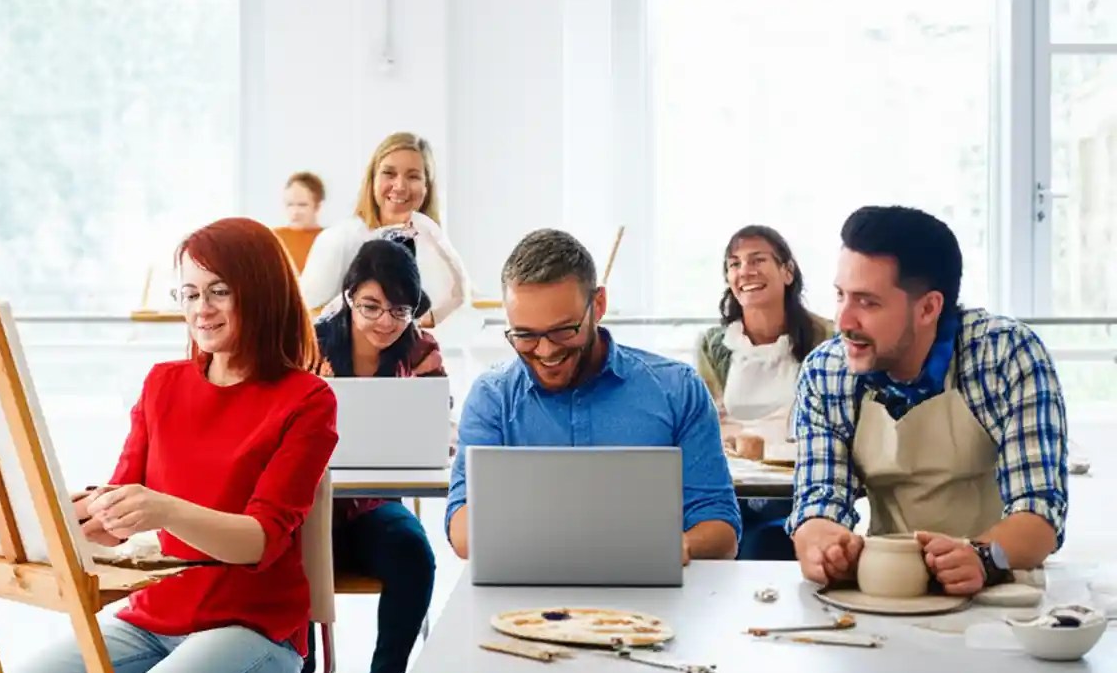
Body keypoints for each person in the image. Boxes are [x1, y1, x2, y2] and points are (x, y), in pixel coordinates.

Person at [10, 218, 337, 673]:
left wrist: (162, 509)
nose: (200, 309)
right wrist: (87, 513)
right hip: (152, 618)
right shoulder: (162, 383)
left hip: (251, 629)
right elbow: (117, 516)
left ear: (260, 291)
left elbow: (258, 541)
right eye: (189, 293)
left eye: (218, 291)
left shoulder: (307, 399)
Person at [789, 206, 1069, 596]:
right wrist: (822, 543)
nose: (844, 321)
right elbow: (818, 501)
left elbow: (1040, 516)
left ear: (928, 308)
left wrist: (986, 558)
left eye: (868, 302)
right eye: (841, 296)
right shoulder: (827, 371)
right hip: (886, 586)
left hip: (993, 587)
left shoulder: (1005, 355)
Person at [446, 228, 741, 563]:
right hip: (523, 603)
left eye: (562, 331)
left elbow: (721, 531)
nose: (545, 350)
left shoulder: (677, 390)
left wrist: (681, 546)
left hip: (651, 601)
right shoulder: (493, 398)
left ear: (598, 304)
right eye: (524, 335)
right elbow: (462, 529)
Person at [296, 236, 441, 673]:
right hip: (304, 508)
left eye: (400, 310)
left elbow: (432, 429)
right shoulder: (308, 344)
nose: (385, 322)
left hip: (371, 508)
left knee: (413, 553)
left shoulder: (419, 350)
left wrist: (439, 438)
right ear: (348, 297)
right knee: (279, 557)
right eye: (371, 306)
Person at [695, 226, 834, 560]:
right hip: (736, 487)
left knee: (764, 545)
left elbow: (834, 424)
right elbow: (710, 424)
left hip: (801, 486)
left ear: (787, 271)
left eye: (757, 260)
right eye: (734, 263)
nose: (745, 271)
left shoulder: (827, 337)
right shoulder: (714, 345)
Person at [300, 132, 470, 327]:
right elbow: (305, 312)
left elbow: (454, 309)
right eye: (389, 173)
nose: (399, 186)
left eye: (413, 176)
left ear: (427, 186)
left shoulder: (434, 246)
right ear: (372, 179)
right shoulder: (338, 240)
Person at [275, 171, 326, 273]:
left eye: (302, 205)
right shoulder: (275, 238)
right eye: (290, 204)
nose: (295, 212)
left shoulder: (328, 239)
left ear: (317, 206)